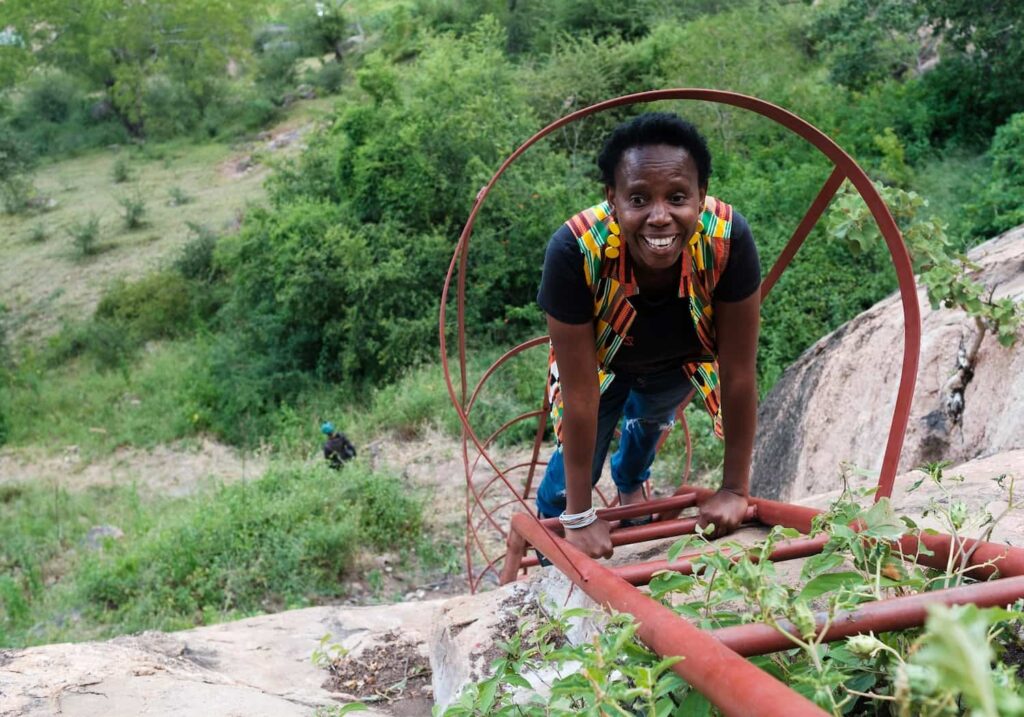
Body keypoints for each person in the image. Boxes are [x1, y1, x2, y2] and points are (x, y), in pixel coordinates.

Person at [535, 112, 761, 560]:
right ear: (613, 200)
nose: (660, 217)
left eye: (677, 197)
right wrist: (579, 516)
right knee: (565, 485)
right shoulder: (575, 249)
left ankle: (630, 482)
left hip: (679, 360)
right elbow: (580, 396)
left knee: (647, 427)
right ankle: (550, 564)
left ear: (700, 195)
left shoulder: (727, 239)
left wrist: (735, 489)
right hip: (599, 365)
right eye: (638, 199)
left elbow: (737, 373)